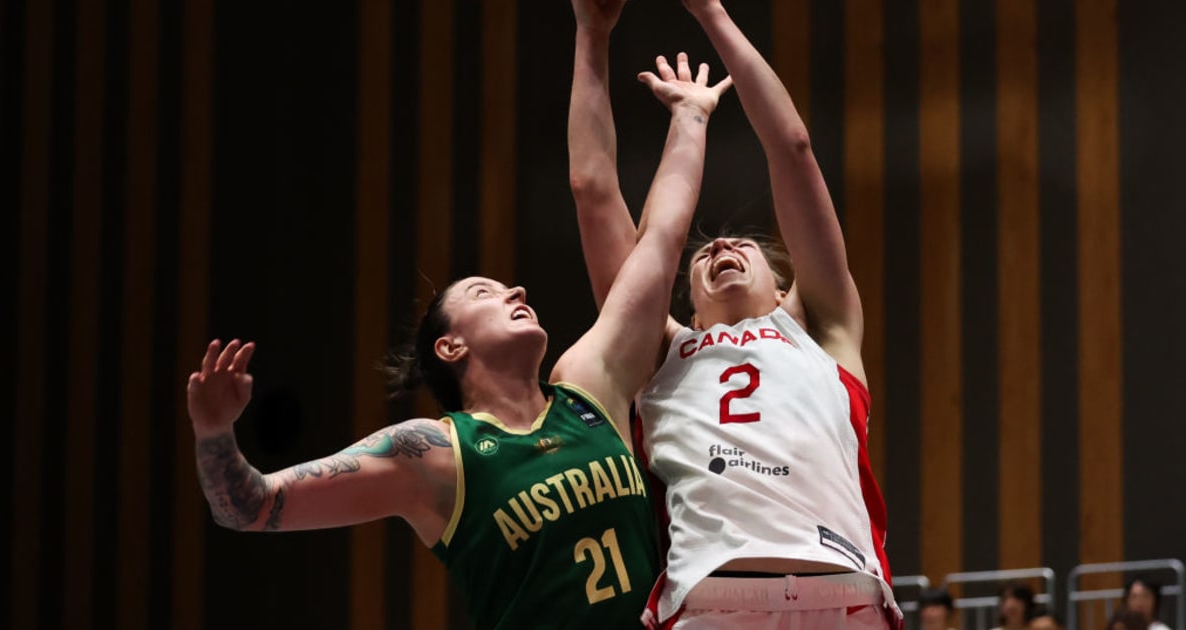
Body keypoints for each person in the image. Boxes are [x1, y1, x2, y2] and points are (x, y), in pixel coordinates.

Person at [187, 53, 732, 629]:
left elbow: (652, 231)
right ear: (451, 347)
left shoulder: (591, 388)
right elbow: (249, 506)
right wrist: (213, 432)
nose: (516, 288)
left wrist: (677, 107)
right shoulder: (431, 454)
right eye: (483, 292)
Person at [568, 0, 899, 627]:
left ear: (784, 289)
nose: (720, 245)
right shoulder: (657, 353)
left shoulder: (822, 329)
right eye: (703, 252)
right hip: (713, 600)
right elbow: (593, 192)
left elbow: (793, 146)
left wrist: (712, 13)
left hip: (845, 593)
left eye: (743, 243)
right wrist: (591, 34)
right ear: (687, 308)